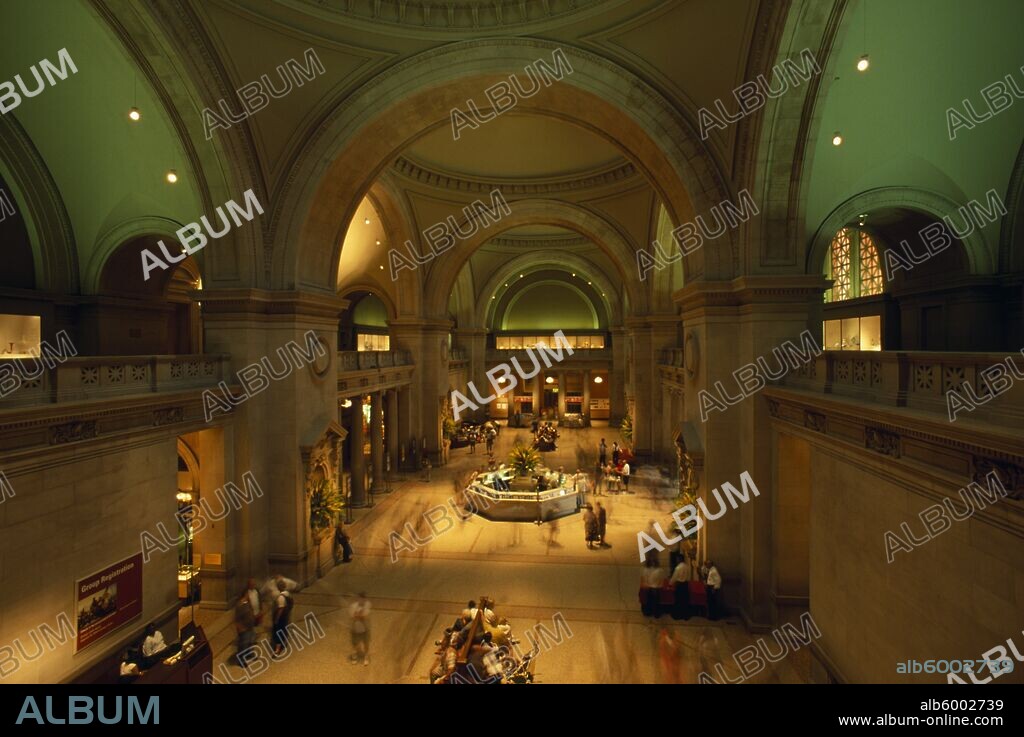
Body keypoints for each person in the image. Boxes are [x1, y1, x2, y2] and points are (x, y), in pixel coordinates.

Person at [234, 590, 257, 664]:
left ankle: (249, 654)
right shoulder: (240, 605)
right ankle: (241, 660)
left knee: (250, 642)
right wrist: (240, 627)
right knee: (243, 644)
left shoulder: (247, 603)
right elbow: (237, 618)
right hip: (244, 628)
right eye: (247, 594)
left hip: (250, 626)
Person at [271, 580, 294, 656]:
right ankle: (283, 643)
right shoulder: (288, 595)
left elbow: (280, 609)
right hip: (286, 616)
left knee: (278, 632)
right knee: (284, 630)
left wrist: (276, 619)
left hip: (281, 618)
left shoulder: (281, 597)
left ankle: (277, 649)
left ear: (278, 588)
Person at [349, 592, 371, 665]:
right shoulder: (353, 606)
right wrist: (359, 615)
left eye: (363, 599)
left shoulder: (367, 604)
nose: (361, 601)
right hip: (355, 629)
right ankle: (354, 656)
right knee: (355, 644)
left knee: (366, 644)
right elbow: (353, 616)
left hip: (365, 629)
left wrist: (358, 615)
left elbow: (364, 616)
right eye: (360, 599)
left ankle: (366, 657)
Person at [670, 554, 692, 620]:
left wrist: (670, 583)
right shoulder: (687, 566)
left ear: (679, 559)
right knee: (685, 600)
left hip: (679, 585)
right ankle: (685, 616)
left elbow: (674, 577)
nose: (676, 560)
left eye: (677, 559)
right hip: (685, 585)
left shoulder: (678, 568)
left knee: (678, 600)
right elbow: (689, 577)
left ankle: (678, 615)